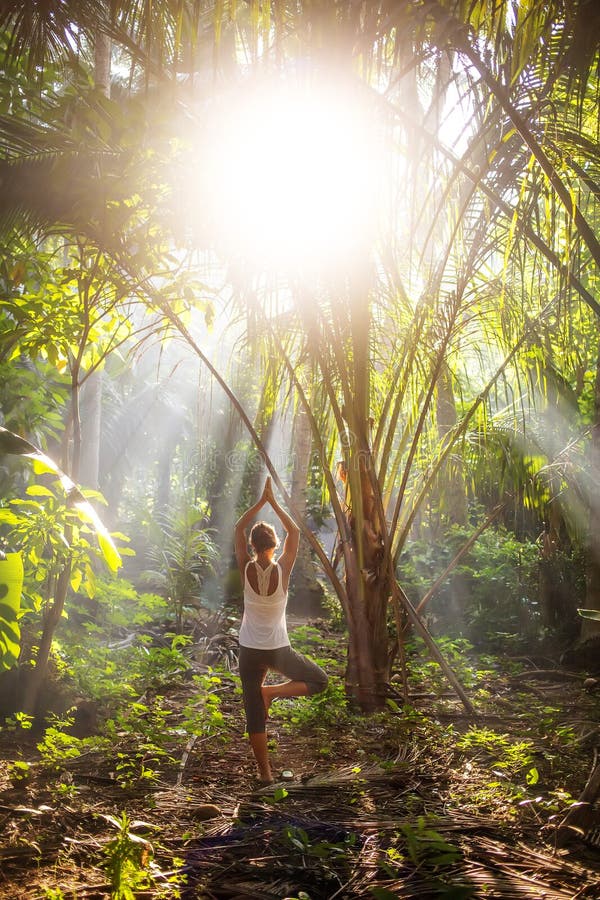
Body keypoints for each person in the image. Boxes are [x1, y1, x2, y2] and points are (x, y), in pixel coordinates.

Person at [234, 476, 328, 784]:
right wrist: (273, 502)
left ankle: (265, 774)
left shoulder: (245, 567)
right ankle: (272, 692)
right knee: (318, 680)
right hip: (277, 649)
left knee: (253, 714)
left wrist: (259, 503)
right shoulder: (283, 569)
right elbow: (295, 531)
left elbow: (237, 528)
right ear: (275, 545)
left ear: (252, 545)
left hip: (248, 650)